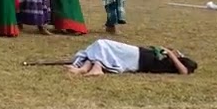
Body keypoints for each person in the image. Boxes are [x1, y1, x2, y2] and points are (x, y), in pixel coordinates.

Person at [66, 39, 197, 76]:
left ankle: (90, 67)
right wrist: (173, 52)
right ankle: (90, 67)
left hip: (138, 57)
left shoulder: (180, 65)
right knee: (101, 48)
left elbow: (184, 72)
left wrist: (171, 55)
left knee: (102, 44)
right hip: (139, 54)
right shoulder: (171, 59)